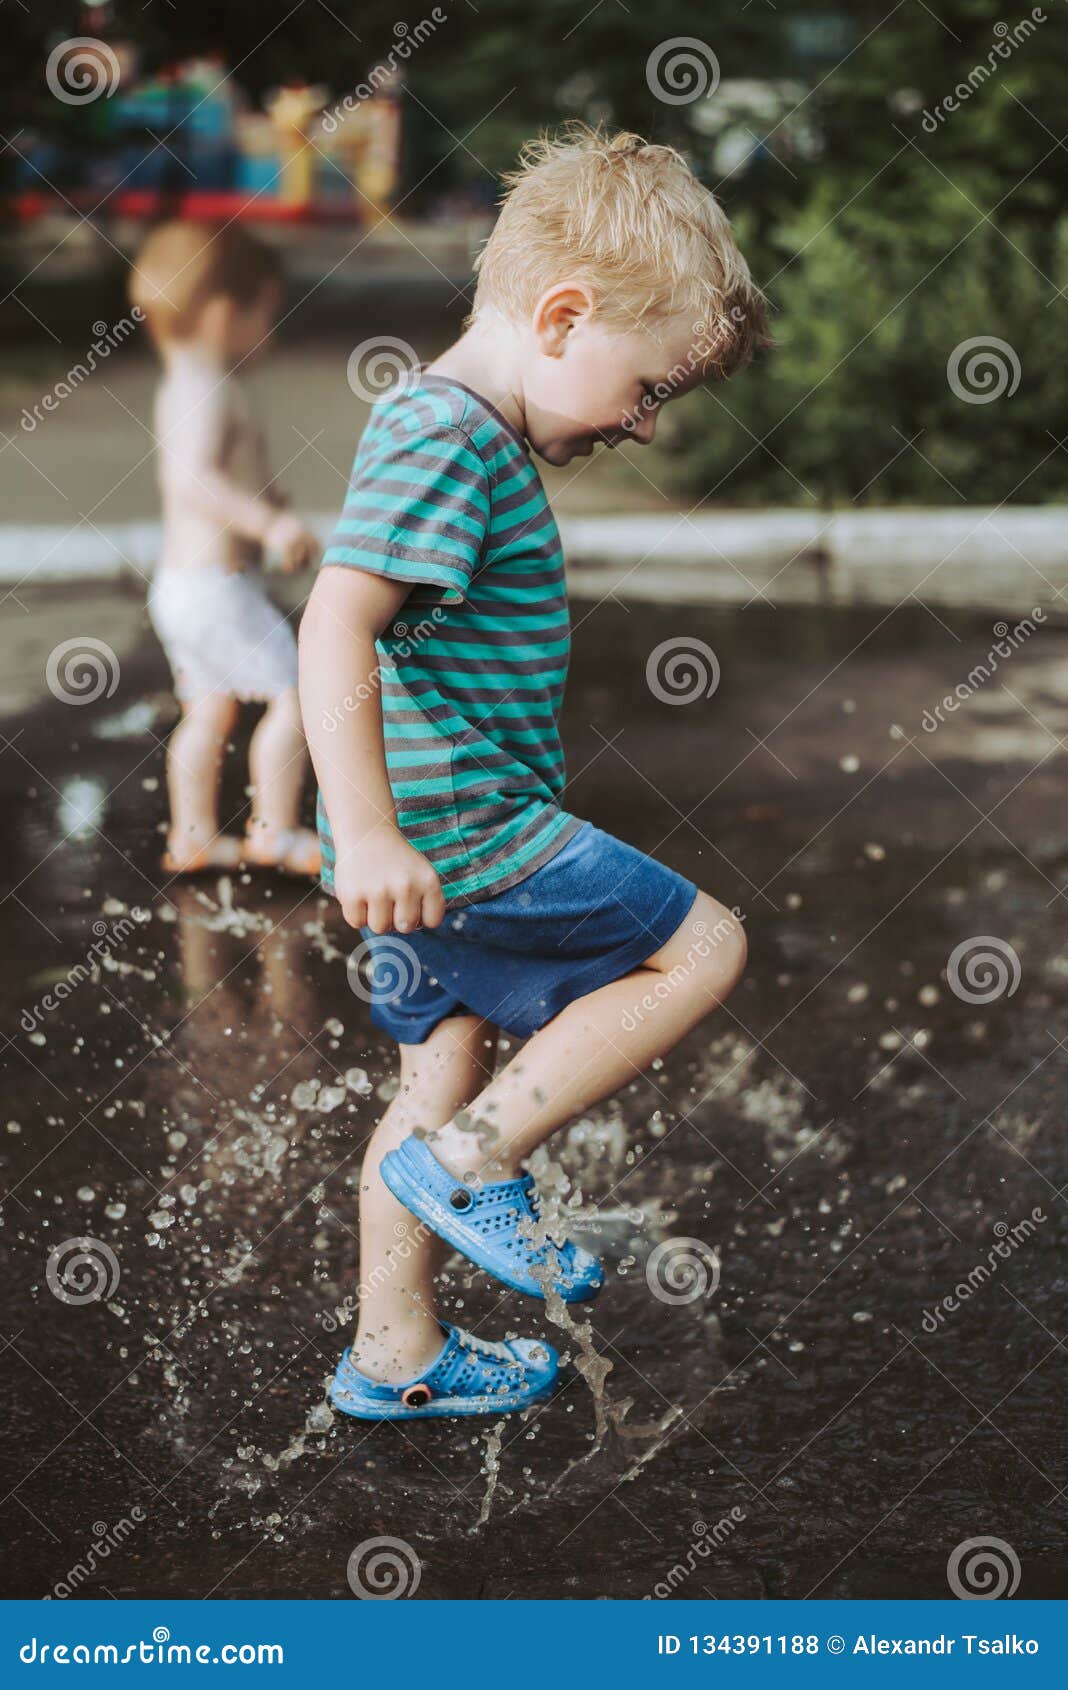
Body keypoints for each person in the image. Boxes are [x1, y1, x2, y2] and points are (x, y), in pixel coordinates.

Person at [299, 125, 771, 1420]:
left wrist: (351, 831)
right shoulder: (448, 434)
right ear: (562, 314)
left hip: (422, 835)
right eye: (645, 385)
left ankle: (391, 1349)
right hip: (459, 829)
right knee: (707, 947)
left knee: (438, 1062)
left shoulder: (466, 435)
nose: (644, 420)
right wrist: (366, 826)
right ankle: (479, 1160)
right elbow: (335, 619)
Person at [131, 221, 321, 877]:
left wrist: (269, 502)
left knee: (208, 708)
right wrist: (268, 526)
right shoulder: (208, 387)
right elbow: (192, 479)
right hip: (213, 587)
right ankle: (277, 830)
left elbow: (224, 473)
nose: (270, 333)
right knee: (295, 691)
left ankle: (194, 835)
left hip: (181, 587)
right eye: (265, 315)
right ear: (220, 316)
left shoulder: (190, 382)